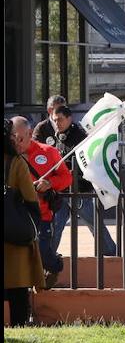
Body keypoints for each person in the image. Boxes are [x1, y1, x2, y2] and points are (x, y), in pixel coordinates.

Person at [46, 104, 117, 257]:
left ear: (69, 118)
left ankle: (111, 253)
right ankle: (48, 255)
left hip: (80, 190)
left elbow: (84, 160)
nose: (57, 123)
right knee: (56, 225)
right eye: (54, 120)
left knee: (94, 224)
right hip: (61, 191)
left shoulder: (81, 136)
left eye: (60, 120)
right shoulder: (57, 137)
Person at [10, 117, 71, 289]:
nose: (17, 143)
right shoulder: (9, 156)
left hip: (41, 214)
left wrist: (50, 184)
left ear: (30, 133)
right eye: (13, 139)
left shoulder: (49, 152)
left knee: (43, 251)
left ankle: (54, 265)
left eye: (20, 138)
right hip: (16, 216)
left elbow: (67, 177)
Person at [4, 118, 44, 326]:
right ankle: (19, 326)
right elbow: (30, 198)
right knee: (17, 289)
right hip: (13, 237)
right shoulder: (15, 162)